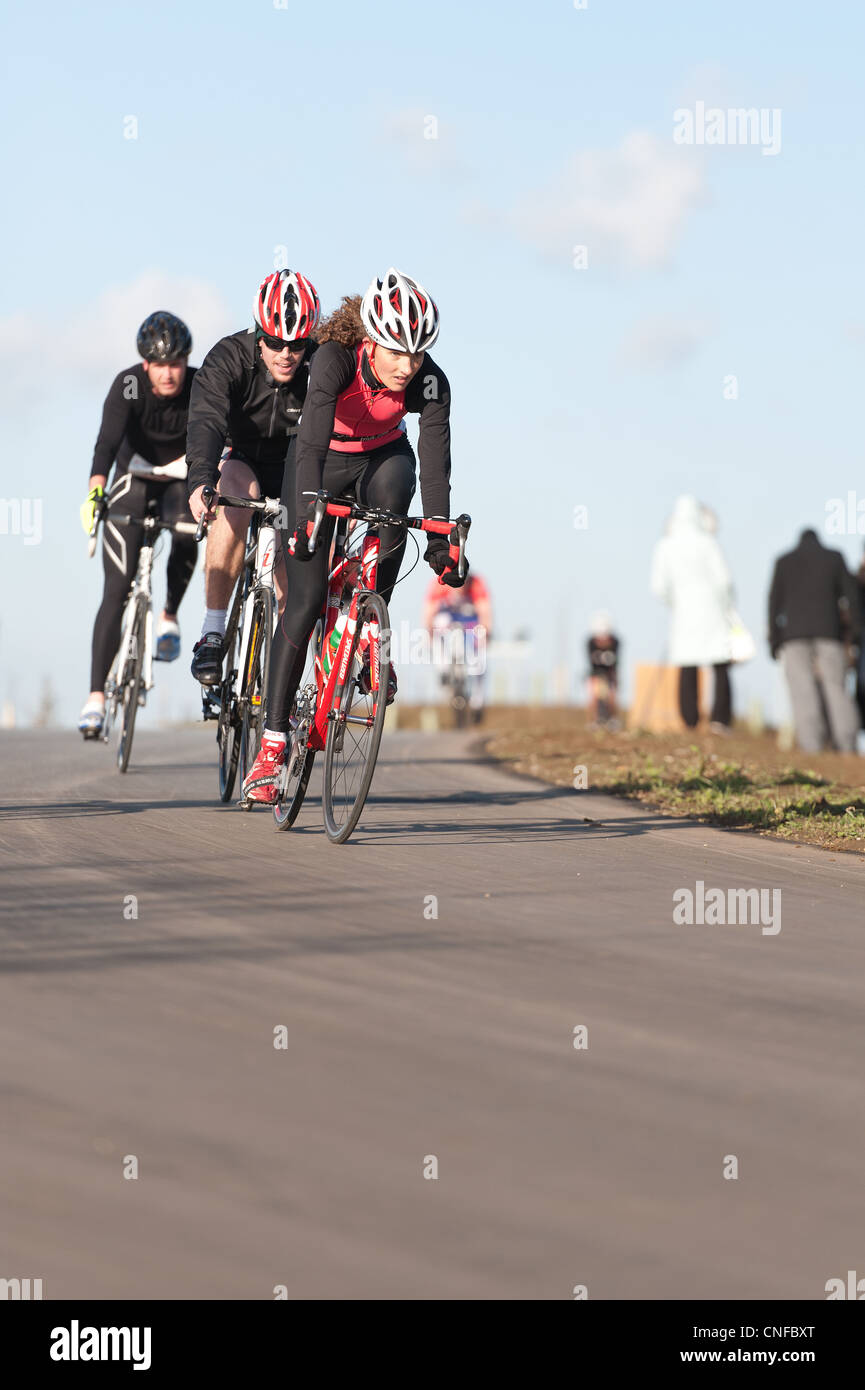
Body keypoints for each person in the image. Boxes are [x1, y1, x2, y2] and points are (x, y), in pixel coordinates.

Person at [243, 268, 463, 803]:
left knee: (397, 494)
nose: (406, 367)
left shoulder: (431, 384)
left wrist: (439, 542)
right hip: (321, 463)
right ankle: (271, 747)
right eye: (395, 353)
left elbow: (435, 468)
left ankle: (369, 629)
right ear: (370, 339)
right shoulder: (334, 359)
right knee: (307, 597)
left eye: (417, 354)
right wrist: (306, 518)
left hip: (382, 458)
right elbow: (312, 442)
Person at [186, 269, 320, 685]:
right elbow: (206, 420)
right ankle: (212, 630)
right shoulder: (228, 357)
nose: (286, 354)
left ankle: (285, 685)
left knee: (292, 574)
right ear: (259, 335)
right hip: (241, 458)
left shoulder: (319, 364)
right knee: (233, 492)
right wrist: (200, 482)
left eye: (296, 345)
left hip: (295, 467)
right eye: (276, 342)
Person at [78, 312, 196, 738]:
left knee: (188, 527)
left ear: (186, 362)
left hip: (181, 477)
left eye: (176, 364)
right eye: (160, 365)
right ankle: (95, 697)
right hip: (134, 476)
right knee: (117, 587)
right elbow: (106, 444)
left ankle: (168, 616)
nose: (168, 374)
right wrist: (95, 491)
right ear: (145, 364)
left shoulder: (200, 385)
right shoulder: (127, 384)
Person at [768, 528, 861, 752]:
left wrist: (774, 638)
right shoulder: (834, 558)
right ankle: (847, 745)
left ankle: (811, 746)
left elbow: (773, 603)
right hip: (829, 631)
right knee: (837, 687)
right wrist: (857, 631)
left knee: (802, 689)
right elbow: (852, 596)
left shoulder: (784, 561)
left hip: (794, 634)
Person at [650, 495, 736, 732]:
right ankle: (720, 719)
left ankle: (689, 718)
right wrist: (728, 606)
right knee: (719, 662)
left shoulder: (665, 545)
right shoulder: (708, 542)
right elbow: (724, 580)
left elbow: (658, 587)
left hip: (683, 611)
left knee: (687, 664)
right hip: (712, 609)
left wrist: (675, 603)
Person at [422, 571, 492, 722]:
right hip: (447, 619)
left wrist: (486, 634)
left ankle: (477, 701)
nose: (459, 588)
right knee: (437, 626)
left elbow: (485, 612)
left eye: (463, 583)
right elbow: (429, 614)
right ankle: (444, 669)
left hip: (470, 619)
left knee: (480, 656)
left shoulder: (476, 584)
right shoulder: (439, 584)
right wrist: (429, 634)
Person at [586, 610, 620, 728]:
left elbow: (616, 661)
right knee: (595, 696)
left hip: (611, 673)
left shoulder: (616, 642)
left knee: (611, 696)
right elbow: (591, 662)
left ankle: (612, 719)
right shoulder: (590, 642)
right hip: (596, 673)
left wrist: (613, 677)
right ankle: (596, 720)